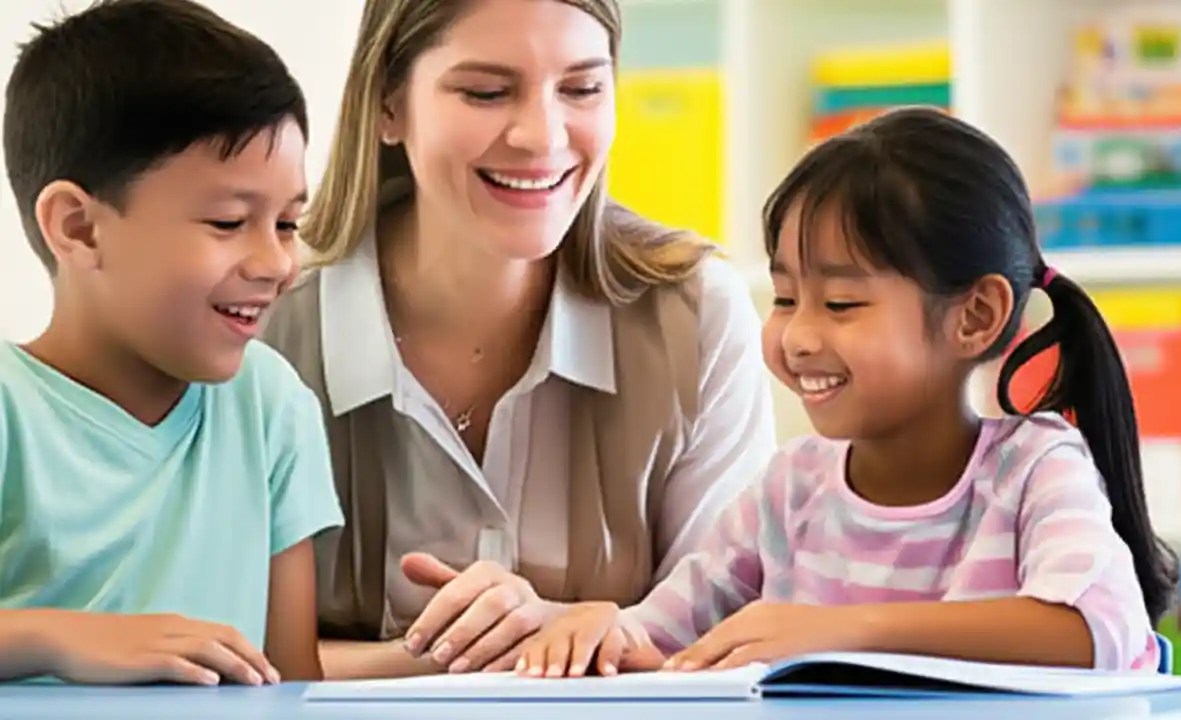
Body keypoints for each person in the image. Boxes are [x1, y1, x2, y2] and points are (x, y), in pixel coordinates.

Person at [516, 107, 1180, 678]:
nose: (797, 336)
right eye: (784, 297)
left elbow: (1097, 632)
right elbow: (661, 636)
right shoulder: (791, 487)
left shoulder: (1032, 467)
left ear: (974, 316)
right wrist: (603, 630)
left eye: (839, 302)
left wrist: (843, 632)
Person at [260, 0, 775, 680]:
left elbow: (731, 643)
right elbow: (207, 643)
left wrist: (570, 631)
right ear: (387, 104)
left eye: (583, 88)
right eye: (487, 92)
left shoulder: (697, 315)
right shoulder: (265, 324)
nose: (543, 135)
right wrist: (459, 658)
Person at [0, 0, 343, 685]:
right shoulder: (13, 413)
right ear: (79, 227)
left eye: (286, 223)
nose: (276, 264)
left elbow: (292, 681)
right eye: (227, 221)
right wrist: (53, 638)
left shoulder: (271, 407)